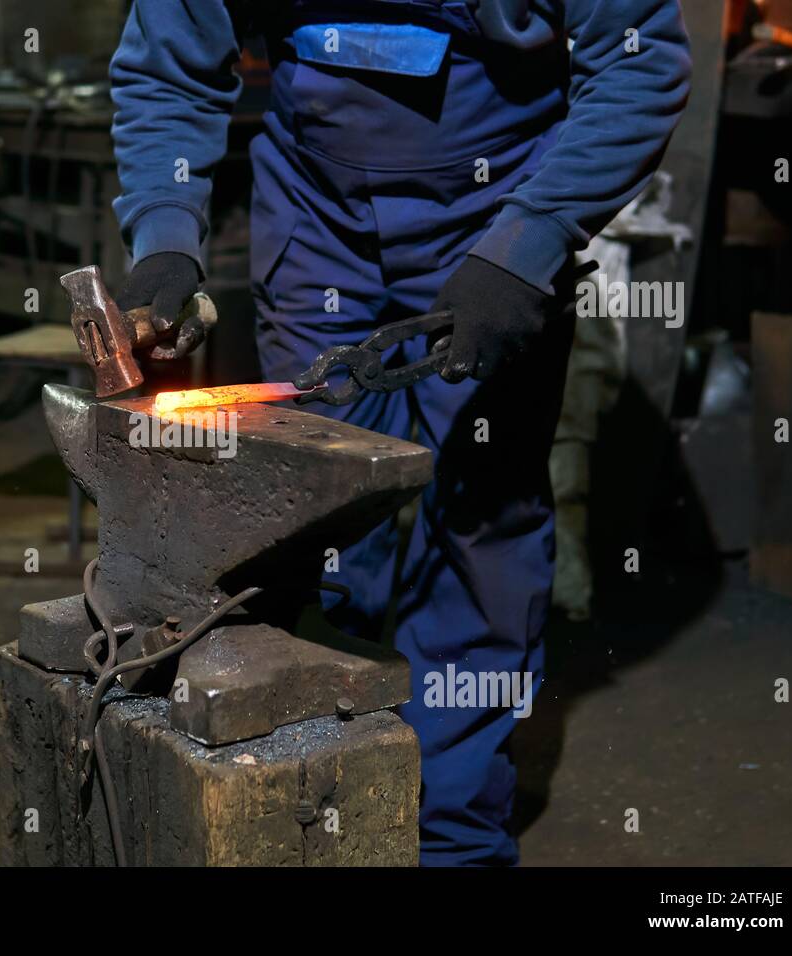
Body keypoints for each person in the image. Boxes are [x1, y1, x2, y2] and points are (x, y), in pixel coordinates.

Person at [108, 0, 690, 865]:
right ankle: (320, 802)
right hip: (317, 219)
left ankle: (453, 837)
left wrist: (528, 246)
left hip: (497, 213)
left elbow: (640, 62)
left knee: (480, 525)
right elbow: (166, 63)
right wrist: (164, 231)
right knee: (313, 519)